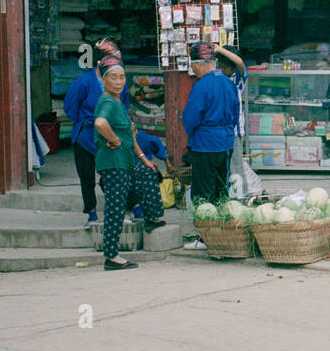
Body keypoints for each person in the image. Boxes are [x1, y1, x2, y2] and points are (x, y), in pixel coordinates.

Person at [93, 56, 166, 270]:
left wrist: (144, 158)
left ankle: (152, 217)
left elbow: (129, 134)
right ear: (103, 79)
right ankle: (112, 256)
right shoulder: (107, 101)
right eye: (113, 77)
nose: (118, 82)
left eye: (122, 77)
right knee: (115, 209)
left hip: (125, 160)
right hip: (113, 163)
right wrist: (113, 139)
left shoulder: (117, 101)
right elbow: (100, 122)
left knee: (147, 173)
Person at [63, 37, 129, 227]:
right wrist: (87, 122)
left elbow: (124, 106)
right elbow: (71, 108)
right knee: (87, 176)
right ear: (100, 63)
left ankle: (116, 210)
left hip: (110, 136)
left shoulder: (119, 82)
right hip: (85, 136)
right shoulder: (83, 83)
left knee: (114, 175)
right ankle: (91, 213)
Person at [181, 41, 240, 220]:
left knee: (202, 193)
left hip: (205, 144)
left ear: (198, 64)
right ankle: (221, 231)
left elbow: (190, 119)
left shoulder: (201, 86)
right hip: (225, 143)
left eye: (193, 67)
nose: (194, 71)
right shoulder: (229, 84)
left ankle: (204, 234)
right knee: (222, 189)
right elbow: (236, 115)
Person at [213, 43, 255, 195]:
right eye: (220, 65)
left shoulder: (238, 79)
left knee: (236, 168)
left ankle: (240, 199)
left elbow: (240, 63)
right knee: (223, 168)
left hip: (235, 132)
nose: (221, 69)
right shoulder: (217, 77)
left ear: (232, 68)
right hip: (219, 131)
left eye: (225, 66)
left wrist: (219, 49)